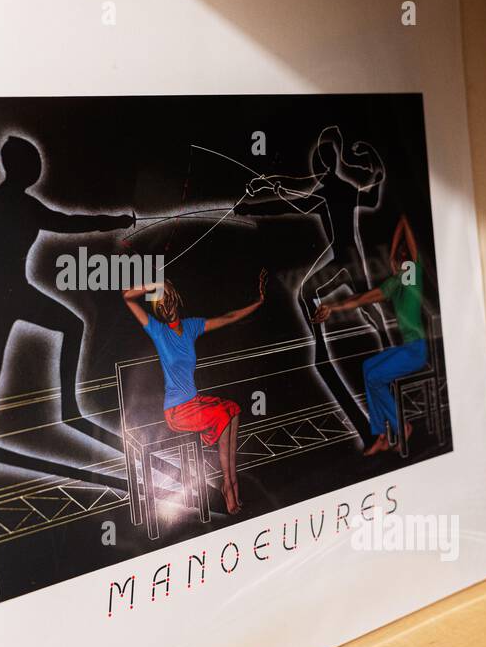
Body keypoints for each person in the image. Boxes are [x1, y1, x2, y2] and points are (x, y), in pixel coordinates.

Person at [0, 137, 133, 448]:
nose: (35, 170)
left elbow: (70, 223)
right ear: (21, 168)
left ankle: (68, 409)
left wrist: (114, 222)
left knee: (66, 328)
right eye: (32, 164)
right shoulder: (5, 203)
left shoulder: (19, 205)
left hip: (8, 292)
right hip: (2, 295)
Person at [234, 125, 387, 441]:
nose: (318, 169)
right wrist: (375, 167)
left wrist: (253, 205)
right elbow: (370, 196)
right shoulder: (343, 188)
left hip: (344, 262)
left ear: (326, 164)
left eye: (321, 163)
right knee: (355, 302)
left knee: (307, 293)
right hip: (349, 259)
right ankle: (381, 337)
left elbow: (292, 205)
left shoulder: (331, 190)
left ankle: (327, 345)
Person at [122, 270, 267, 514]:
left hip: (195, 402)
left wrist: (258, 302)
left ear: (176, 299)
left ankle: (231, 480)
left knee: (233, 409)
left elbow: (228, 317)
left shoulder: (191, 327)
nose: (166, 307)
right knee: (223, 415)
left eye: (169, 300)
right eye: (161, 305)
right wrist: (157, 283)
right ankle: (229, 485)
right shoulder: (158, 331)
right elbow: (127, 296)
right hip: (177, 411)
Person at [311, 215, 426, 456]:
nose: (403, 259)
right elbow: (360, 298)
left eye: (405, 256)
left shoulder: (412, 276)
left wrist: (393, 251)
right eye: (400, 257)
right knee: (368, 368)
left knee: (374, 377)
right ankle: (382, 435)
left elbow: (406, 223)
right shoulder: (394, 285)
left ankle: (401, 427)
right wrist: (332, 307)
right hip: (405, 349)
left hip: (417, 350)